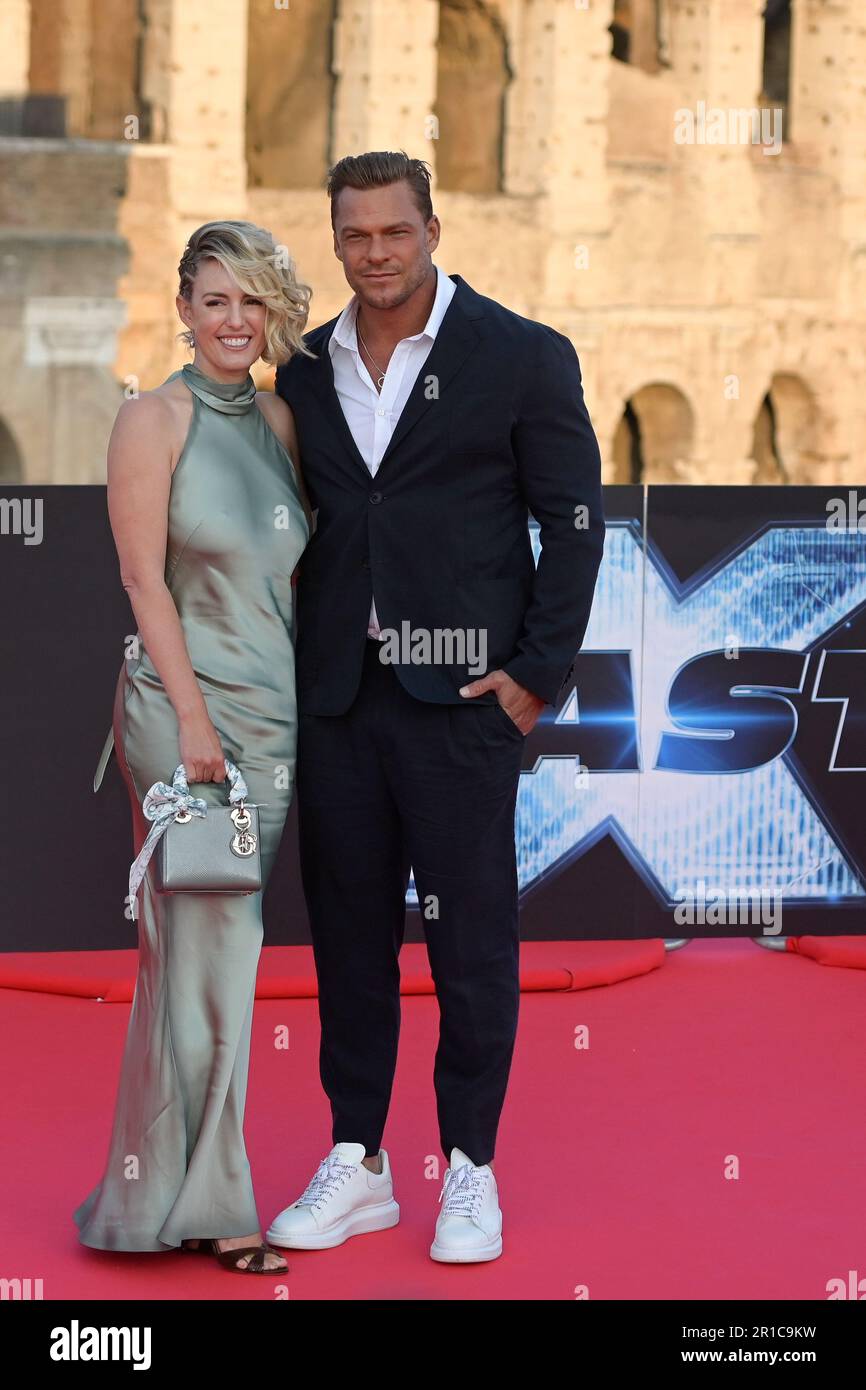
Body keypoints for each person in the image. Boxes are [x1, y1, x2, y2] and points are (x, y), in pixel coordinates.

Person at [268, 151, 605, 1262]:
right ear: (335, 239)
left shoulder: (518, 355)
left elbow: (571, 524)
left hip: (461, 700)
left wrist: (533, 677)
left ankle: (469, 1168)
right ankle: (358, 1159)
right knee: (348, 942)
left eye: (393, 233)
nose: (375, 255)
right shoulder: (308, 369)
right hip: (338, 702)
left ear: (432, 228)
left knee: (469, 946)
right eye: (354, 236)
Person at [74, 220, 312, 1274]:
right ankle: (214, 1205)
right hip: (185, 717)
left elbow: (286, 578)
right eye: (213, 299)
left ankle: (152, 1194)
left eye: (251, 301)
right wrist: (197, 720)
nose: (232, 319)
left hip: (270, 718)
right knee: (213, 953)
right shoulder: (149, 419)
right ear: (181, 309)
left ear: (269, 316)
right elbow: (140, 581)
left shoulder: (276, 420)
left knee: (208, 958)